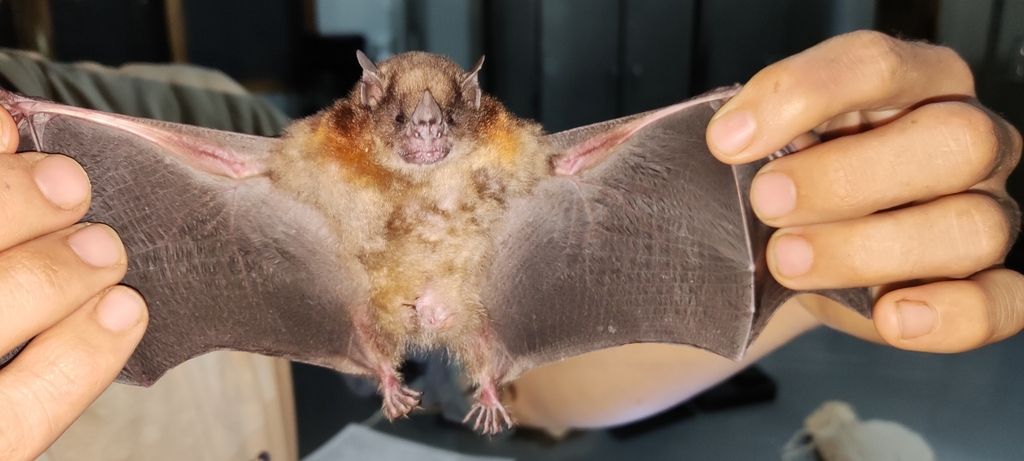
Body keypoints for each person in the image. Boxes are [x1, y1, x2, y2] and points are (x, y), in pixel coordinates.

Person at [0, 31, 1020, 458]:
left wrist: (795, 255)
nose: (425, 138)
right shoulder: (219, 168)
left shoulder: (91, 125)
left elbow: (513, 386)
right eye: (403, 120)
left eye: (446, 118)